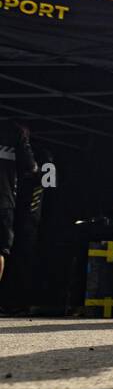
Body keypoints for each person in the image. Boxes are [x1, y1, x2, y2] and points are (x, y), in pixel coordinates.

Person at [0, 120, 37, 287]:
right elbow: (31, 167)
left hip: (4, 201)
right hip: (3, 201)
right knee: (1, 249)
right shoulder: (17, 136)